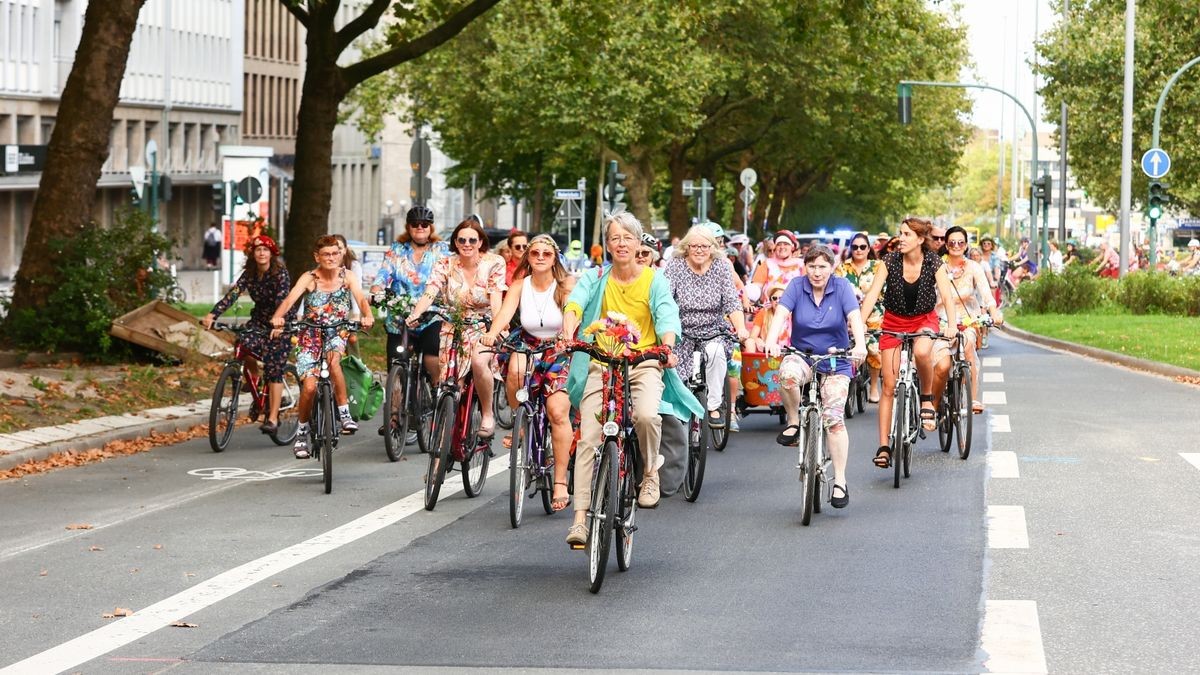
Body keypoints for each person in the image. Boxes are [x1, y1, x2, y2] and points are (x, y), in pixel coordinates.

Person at [560, 212, 701, 545]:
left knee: (647, 415)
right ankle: (579, 519)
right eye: (615, 238)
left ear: (639, 243)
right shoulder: (596, 277)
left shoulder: (654, 280)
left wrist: (667, 347)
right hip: (602, 363)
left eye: (627, 238)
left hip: (643, 363)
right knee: (588, 438)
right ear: (607, 245)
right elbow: (575, 303)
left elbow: (667, 314)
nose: (621, 244)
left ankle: (650, 472)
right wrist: (568, 331)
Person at [764, 245, 867, 509]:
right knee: (787, 375)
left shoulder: (842, 287)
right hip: (803, 355)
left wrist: (860, 345)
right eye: (811, 266)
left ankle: (840, 481)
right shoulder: (796, 286)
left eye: (822, 266)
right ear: (805, 267)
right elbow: (781, 314)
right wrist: (771, 340)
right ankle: (794, 421)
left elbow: (855, 317)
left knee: (833, 418)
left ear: (832, 267)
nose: (817, 272)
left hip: (835, 360)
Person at [481, 234, 575, 511]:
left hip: (558, 345)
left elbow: (572, 313)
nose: (541, 257)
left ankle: (560, 481)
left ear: (555, 258)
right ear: (528, 258)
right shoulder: (520, 285)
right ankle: (520, 421)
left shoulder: (564, 285)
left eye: (547, 253)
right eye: (535, 253)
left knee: (557, 412)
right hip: (528, 342)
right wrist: (492, 333)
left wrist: (568, 336)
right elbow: (504, 313)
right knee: (515, 371)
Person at [858, 217, 959, 470]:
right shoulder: (889, 261)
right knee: (889, 385)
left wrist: (952, 325)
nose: (901, 238)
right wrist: (860, 323)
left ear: (920, 239)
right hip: (893, 322)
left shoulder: (933, 261)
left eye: (906, 234)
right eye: (900, 233)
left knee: (923, 351)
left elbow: (947, 297)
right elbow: (872, 295)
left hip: (924, 320)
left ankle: (926, 399)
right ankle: (884, 447)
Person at [270, 236, 374, 458]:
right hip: (310, 334)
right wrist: (278, 317)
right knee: (309, 388)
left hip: (337, 330)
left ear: (341, 255)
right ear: (317, 257)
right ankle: (301, 433)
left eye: (335, 253)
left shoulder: (348, 276)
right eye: (326, 254)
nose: (331, 258)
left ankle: (344, 414)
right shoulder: (309, 278)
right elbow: (289, 300)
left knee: (334, 361)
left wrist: (368, 315)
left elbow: (361, 299)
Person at [405, 218, 506, 438]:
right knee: (451, 383)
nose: (467, 244)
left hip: (483, 326)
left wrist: (496, 329)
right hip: (454, 326)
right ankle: (446, 439)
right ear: (455, 243)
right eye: (462, 240)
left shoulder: (494, 263)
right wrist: (417, 313)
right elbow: (430, 291)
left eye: (472, 240)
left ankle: (487, 414)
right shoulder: (445, 264)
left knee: (479, 362)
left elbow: (496, 300)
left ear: (480, 242)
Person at [368, 204, 449, 436]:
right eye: (415, 224)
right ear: (408, 227)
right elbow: (383, 274)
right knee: (397, 363)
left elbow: (448, 277)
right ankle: (394, 416)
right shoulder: (397, 250)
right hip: (400, 317)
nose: (420, 228)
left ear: (431, 227)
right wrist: (376, 290)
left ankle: (437, 393)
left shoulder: (441, 250)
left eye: (424, 224)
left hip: (430, 315)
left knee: (432, 355)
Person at [202, 235, 291, 434]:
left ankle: (273, 419)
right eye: (258, 250)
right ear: (253, 254)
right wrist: (212, 315)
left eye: (265, 250)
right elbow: (233, 295)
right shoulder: (249, 274)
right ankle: (255, 379)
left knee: (274, 367)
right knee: (242, 344)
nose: (261, 253)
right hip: (259, 320)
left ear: (272, 254)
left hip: (282, 321)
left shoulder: (280, 274)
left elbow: (283, 300)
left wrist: (279, 322)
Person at [664, 224, 749, 427]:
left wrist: (741, 327)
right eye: (695, 246)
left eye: (704, 246)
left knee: (716, 353)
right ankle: (678, 406)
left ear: (712, 247)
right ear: (687, 247)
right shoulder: (675, 265)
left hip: (713, 329)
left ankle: (713, 407)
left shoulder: (721, 266)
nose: (700, 250)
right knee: (672, 363)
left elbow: (731, 302)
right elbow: (666, 300)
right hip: (682, 330)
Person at [930, 226, 1003, 414]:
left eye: (960, 242)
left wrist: (994, 312)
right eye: (952, 242)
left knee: (968, 345)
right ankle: (934, 402)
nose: (956, 246)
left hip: (967, 320)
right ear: (947, 245)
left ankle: (972, 398)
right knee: (940, 360)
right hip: (941, 320)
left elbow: (986, 293)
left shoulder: (974, 267)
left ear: (966, 245)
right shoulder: (937, 266)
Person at [836, 232, 883, 402]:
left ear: (868, 249)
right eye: (855, 247)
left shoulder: (878, 266)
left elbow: (883, 290)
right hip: (849, 314)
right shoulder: (842, 268)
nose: (859, 250)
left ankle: (874, 386)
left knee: (874, 350)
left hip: (874, 314)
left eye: (862, 247)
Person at [747, 231, 803, 302]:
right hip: (769, 305)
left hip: (796, 305)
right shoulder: (766, 264)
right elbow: (756, 287)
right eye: (779, 244)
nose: (782, 247)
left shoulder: (802, 264)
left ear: (792, 247)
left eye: (786, 244)